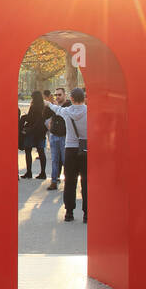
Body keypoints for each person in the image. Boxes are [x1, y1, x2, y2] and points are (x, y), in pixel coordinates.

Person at [47, 87, 87, 222]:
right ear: (84, 98)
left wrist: (48, 103)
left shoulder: (66, 111)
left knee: (70, 181)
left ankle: (69, 212)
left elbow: (56, 109)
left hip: (70, 148)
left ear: (72, 99)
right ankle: (87, 213)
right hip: (85, 149)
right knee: (86, 181)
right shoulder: (89, 111)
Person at [44, 88, 67, 190]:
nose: (57, 97)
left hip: (64, 136)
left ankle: (68, 181)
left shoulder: (68, 106)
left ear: (64, 95)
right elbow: (44, 116)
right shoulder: (53, 106)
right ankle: (54, 181)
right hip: (54, 136)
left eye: (59, 95)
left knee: (65, 160)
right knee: (54, 160)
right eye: (56, 95)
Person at [21, 93, 48, 179]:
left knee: (28, 151)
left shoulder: (33, 107)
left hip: (31, 132)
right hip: (40, 132)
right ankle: (43, 173)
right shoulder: (44, 107)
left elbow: (30, 118)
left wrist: (24, 117)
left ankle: (29, 172)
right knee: (41, 152)